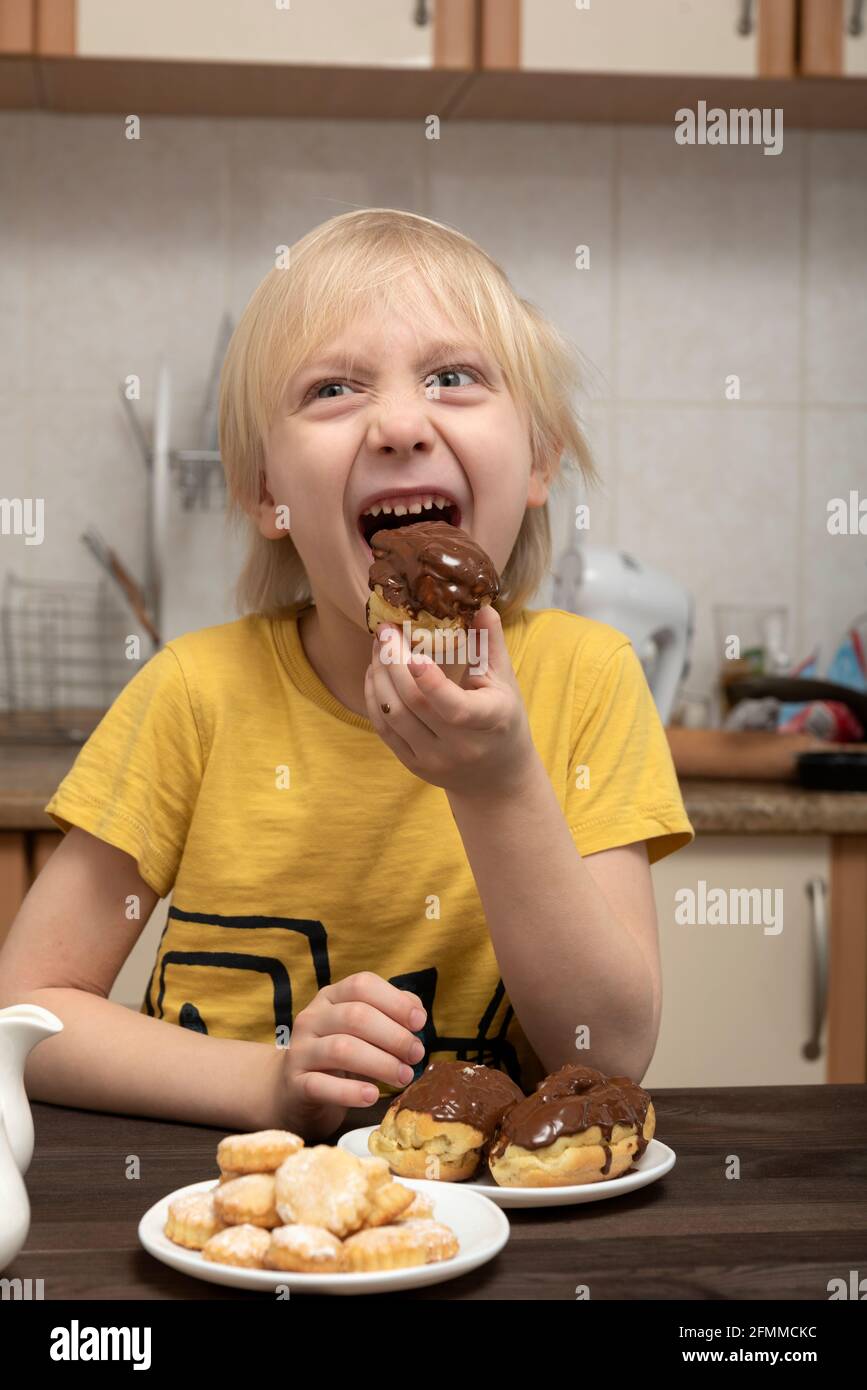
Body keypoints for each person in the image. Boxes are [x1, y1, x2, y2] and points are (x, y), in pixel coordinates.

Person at [0, 209, 693, 1142]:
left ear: (539, 459)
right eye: (332, 388)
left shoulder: (589, 678)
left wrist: (495, 784)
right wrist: (267, 1082)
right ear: (264, 494)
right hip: (221, 1222)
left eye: (453, 378)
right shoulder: (193, 695)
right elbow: (26, 1017)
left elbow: (606, 1050)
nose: (401, 423)